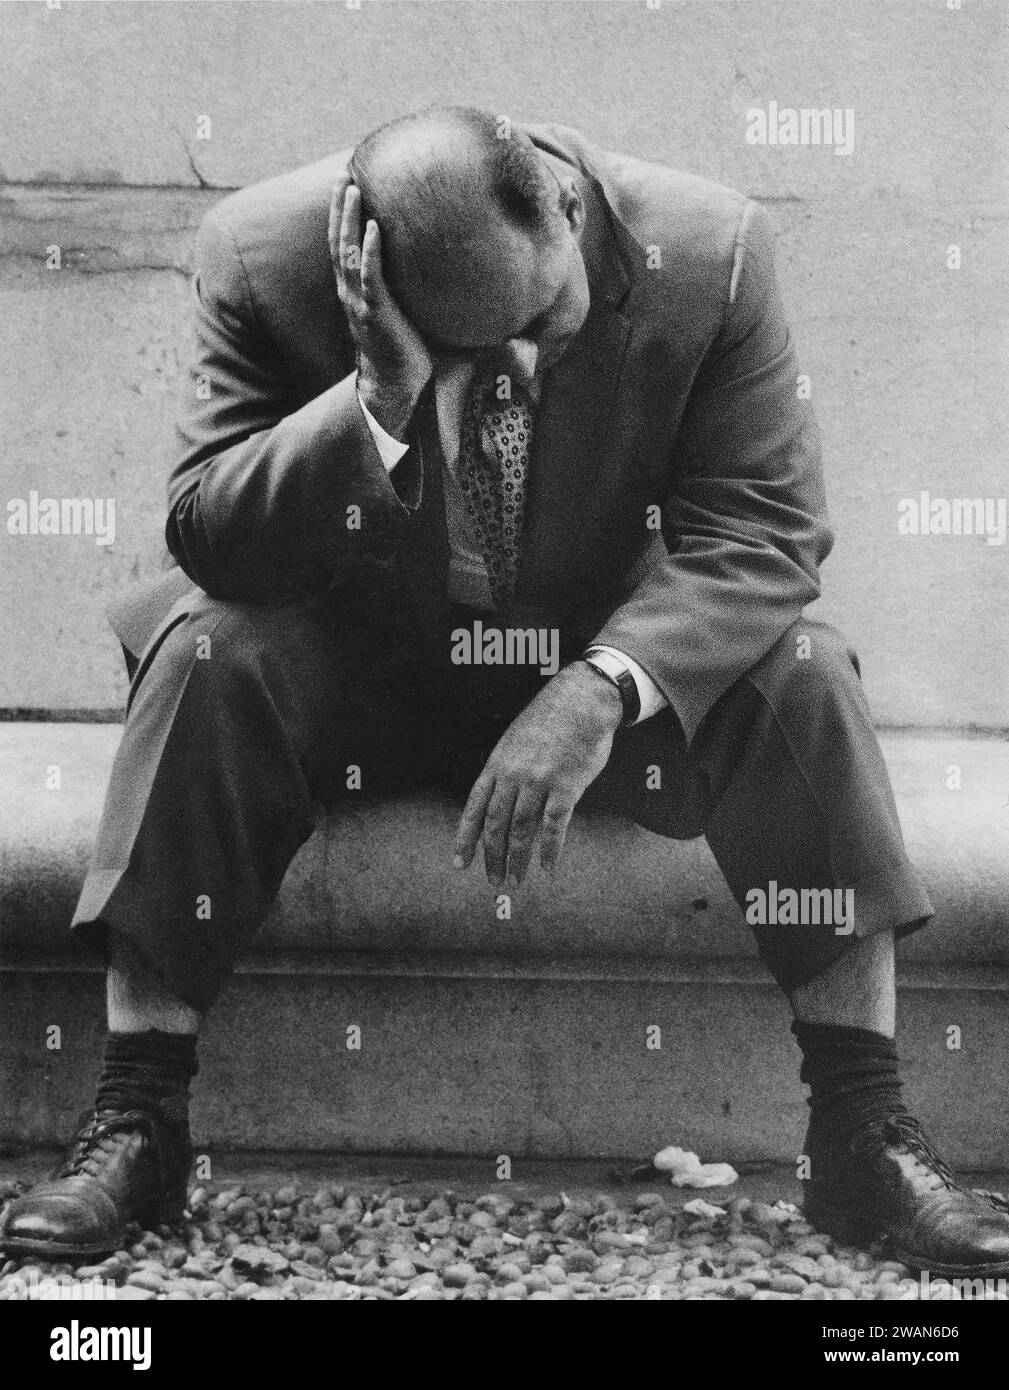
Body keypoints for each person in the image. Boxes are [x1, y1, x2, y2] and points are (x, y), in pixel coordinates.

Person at [2, 107, 1006, 1276]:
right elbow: (210, 539)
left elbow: (764, 530)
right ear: (364, 273)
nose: (517, 364)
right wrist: (374, 399)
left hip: (602, 666)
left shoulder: (714, 250)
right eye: (470, 350)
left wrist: (596, 691)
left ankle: (858, 1128)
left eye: (542, 319)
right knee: (205, 648)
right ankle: (140, 1116)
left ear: (570, 214)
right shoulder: (261, 256)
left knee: (802, 670)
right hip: (367, 666)